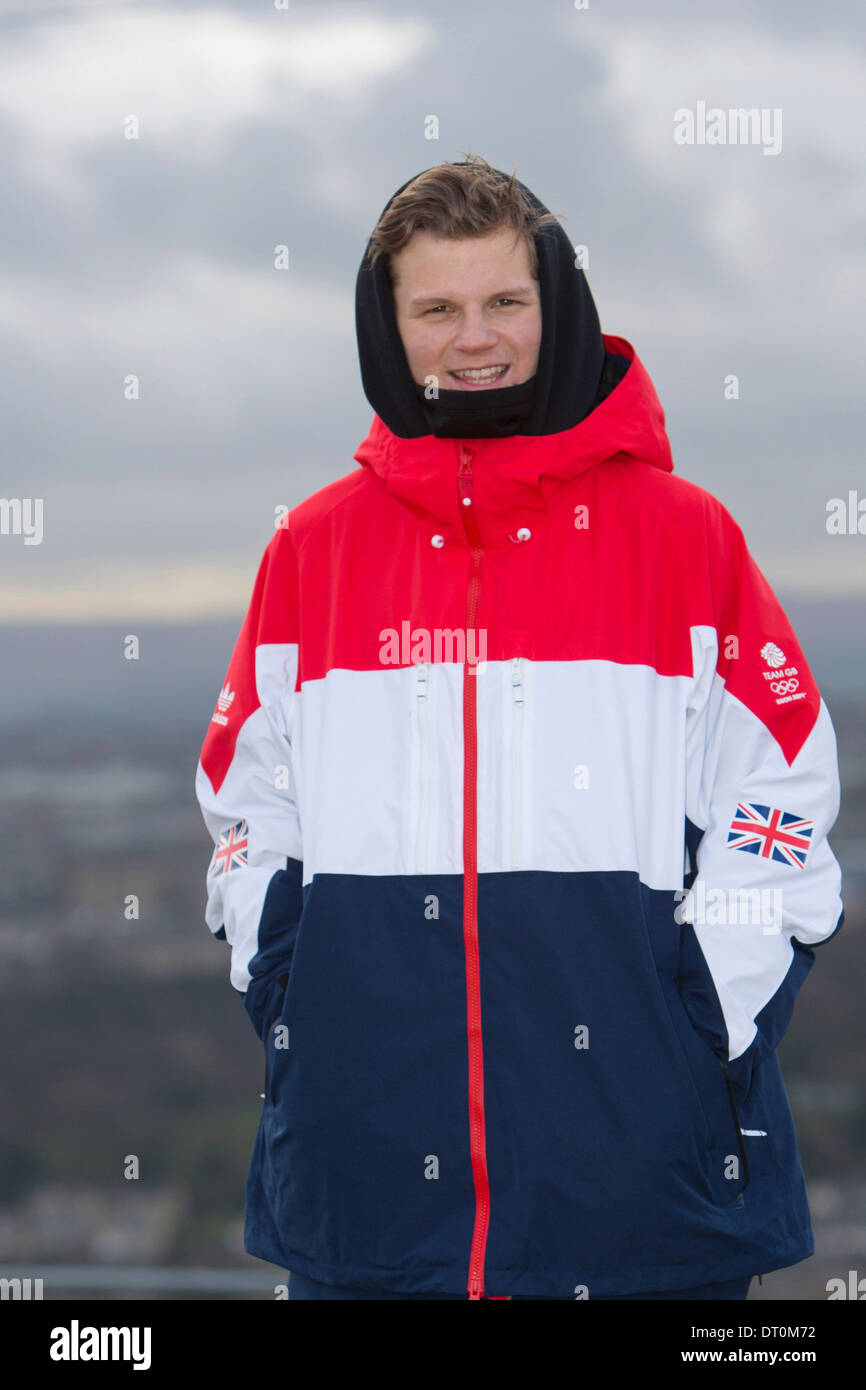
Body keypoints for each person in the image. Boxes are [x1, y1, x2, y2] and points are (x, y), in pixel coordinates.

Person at [195, 155, 844, 1301]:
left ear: (557, 305)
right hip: (369, 1194)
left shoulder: (683, 537)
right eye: (435, 308)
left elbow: (780, 794)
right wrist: (291, 988)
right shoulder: (314, 548)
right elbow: (247, 802)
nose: (472, 338)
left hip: (643, 1197)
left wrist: (704, 1013)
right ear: (386, 326)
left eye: (504, 302)